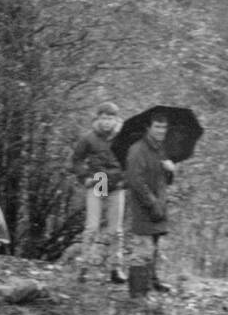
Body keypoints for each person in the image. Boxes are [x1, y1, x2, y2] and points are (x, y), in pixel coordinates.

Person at [70, 102, 127, 284]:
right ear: (98, 119)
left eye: (110, 118)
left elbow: (131, 159)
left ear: (116, 120)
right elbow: (76, 160)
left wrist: (126, 177)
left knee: (115, 229)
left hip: (116, 184)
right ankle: (84, 267)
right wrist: (84, 177)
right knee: (92, 227)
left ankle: (115, 267)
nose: (106, 122)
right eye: (103, 118)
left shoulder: (124, 138)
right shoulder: (89, 138)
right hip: (99, 181)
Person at [125, 111, 176, 296]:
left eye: (164, 127)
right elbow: (135, 180)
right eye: (157, 126)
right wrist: (151, 202)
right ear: (148, 128)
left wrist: (170, 170)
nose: (162, 131)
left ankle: (151, 282)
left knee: (153, 247)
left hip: (158, 206)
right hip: (144, 206)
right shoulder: (138, 150)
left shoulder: (161, 150)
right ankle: (137, 294)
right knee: (142, 249)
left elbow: (165, 181)